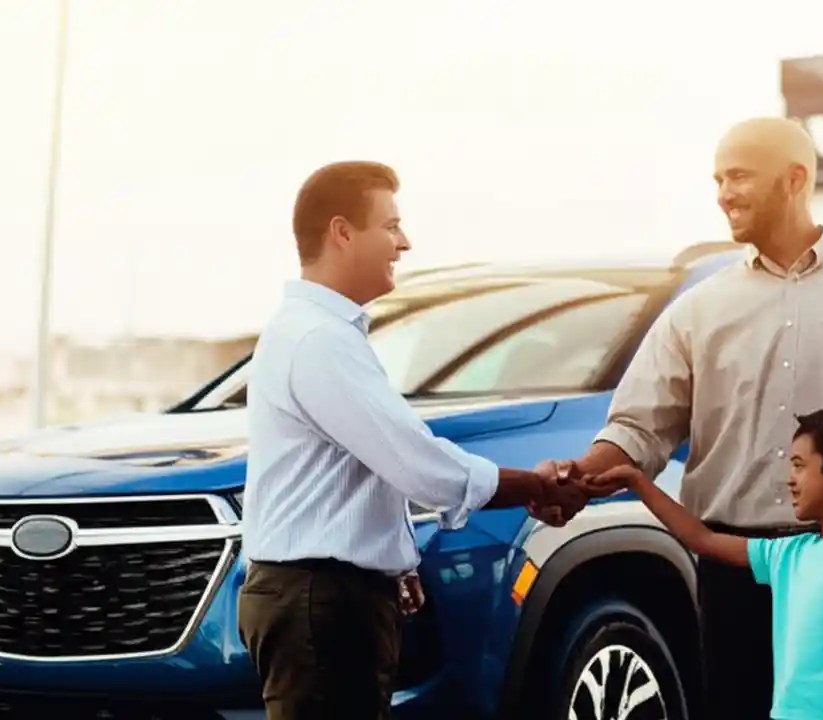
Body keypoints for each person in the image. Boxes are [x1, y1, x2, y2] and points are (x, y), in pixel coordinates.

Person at [542, 116, 823, 718]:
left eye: (739, 175)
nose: (723, 193)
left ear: (795, 179)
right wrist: (574, 478)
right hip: (734, 572)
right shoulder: (698, 310)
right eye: (718, 178)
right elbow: (638, 429)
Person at [237, 160, 592, 720]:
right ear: (342, 232)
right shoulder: (318, 341)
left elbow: (365, 464)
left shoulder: (316, 333)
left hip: (326, 595)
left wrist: (394, 563)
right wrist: (530, 485)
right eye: (391, 226)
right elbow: (415, 463)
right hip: (319, 601)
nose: (404, 243)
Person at [587, 408, 823, 720]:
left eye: (799, 466)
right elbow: (702, 539)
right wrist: (639, 483)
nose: (790, 480)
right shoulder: (788, 553)